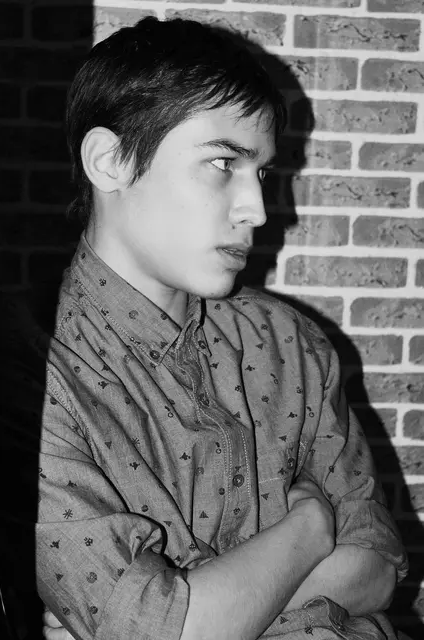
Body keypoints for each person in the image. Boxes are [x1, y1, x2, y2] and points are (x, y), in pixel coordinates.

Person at [22, 16, 407, 640]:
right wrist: (308, 530)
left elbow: (378, 567)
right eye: (222, 162)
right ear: (110, 161)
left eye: (261, 173)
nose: (257, 209)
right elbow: (158, 630)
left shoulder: (291, 343)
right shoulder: (29, 379)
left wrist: (209, 605)